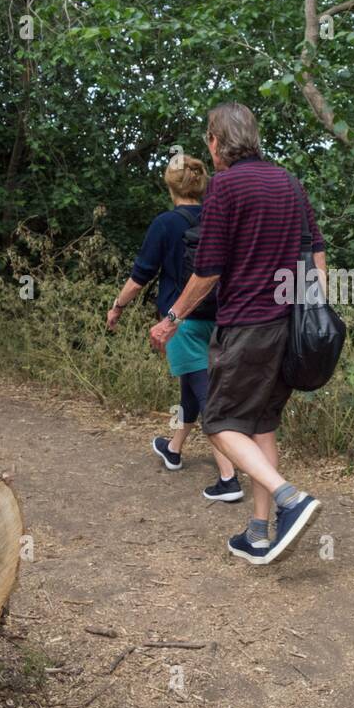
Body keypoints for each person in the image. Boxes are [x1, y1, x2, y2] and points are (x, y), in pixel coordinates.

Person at [150, 103, 326, 565]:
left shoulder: (225, 186)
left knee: (220, 423)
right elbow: (318, 247)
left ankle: (290, 498)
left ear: (214, 141)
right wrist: (315, 303)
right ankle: (258, 532)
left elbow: (207, 270)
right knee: (260, 424)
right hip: (289, 326)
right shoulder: (288, 181)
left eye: (208, 139)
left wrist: (171, 317)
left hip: (249, 324)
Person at [107, 153, 241, 502]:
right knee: (193, 384)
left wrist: (117, 307)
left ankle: (228, 477)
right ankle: (174, 448)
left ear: (169, 185)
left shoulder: (165, 223)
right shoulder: (218, 218)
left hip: (180, 320)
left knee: (205, 394)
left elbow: (140, 277)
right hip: (220, 316)